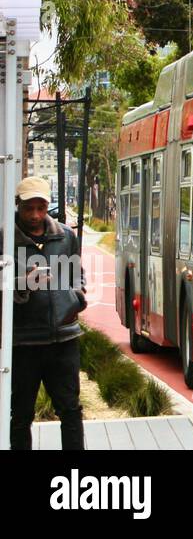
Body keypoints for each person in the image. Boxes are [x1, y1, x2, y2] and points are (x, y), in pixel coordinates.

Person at [8, 176, 86, 450]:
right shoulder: (6, 239)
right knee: (20, 414)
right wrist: (23, 283)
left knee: (71, 409)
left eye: (41, 208)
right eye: (28, 208)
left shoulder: (65, 236)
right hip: (23, 341)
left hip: (64, 339)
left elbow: (77, 274)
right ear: (17, 205)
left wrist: (76, 298)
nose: (35, 215)